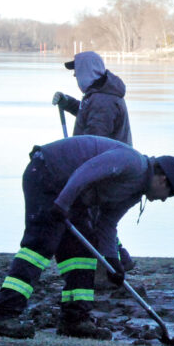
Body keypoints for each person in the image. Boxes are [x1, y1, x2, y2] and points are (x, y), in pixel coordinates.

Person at [0, 136, 174, 340]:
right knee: (40, 245)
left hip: (72, 193)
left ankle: (75, 319)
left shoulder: (134, 193)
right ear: (163, 179)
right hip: (48, 173)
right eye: (168, 194)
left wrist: (112, 261)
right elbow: (86, 172)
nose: (164, 199)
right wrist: (63, 203)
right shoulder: (132, 162)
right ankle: (1, 315)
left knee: (81, 251)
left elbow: (107, 224)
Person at [51, 50, 135, 271]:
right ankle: (119, 258)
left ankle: (116, 261)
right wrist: (68, 103)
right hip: (108, 166)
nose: (74, 76)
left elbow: (94, 140)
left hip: (105, 169)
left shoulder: (102, 100)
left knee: (95, 217)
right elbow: (88, 117)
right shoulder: (99, 95)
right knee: (98, 219)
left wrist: (79, 169)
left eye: (76, 71)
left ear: (87, 71)